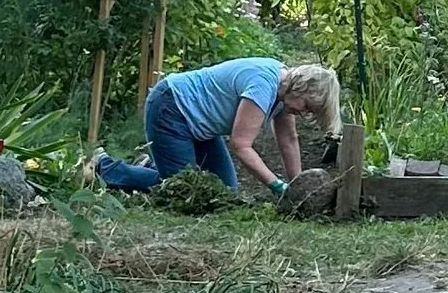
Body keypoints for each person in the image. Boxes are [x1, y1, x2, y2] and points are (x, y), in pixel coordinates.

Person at [96, 56, 342, 198]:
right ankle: (99, 166)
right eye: (307, 106)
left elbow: (288, 140)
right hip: (171, 108)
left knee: (224, 192)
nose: (304, 113)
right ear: (300, 88)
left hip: (201, 126)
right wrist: (277, 186)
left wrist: (298, 187)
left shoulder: (283, 95)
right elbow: (241, 145)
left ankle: (150, 167)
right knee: (187, 191)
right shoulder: (263, 85)